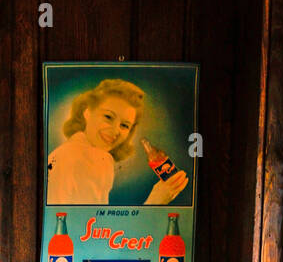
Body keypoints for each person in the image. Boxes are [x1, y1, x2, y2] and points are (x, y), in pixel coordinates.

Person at [46, 77, 188, 206]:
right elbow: (87, 229)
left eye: (124, 125)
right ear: (87, 113)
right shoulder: (74, 157)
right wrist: (156, 201)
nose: (115, 131)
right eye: (108, 117)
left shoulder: (99, 158)